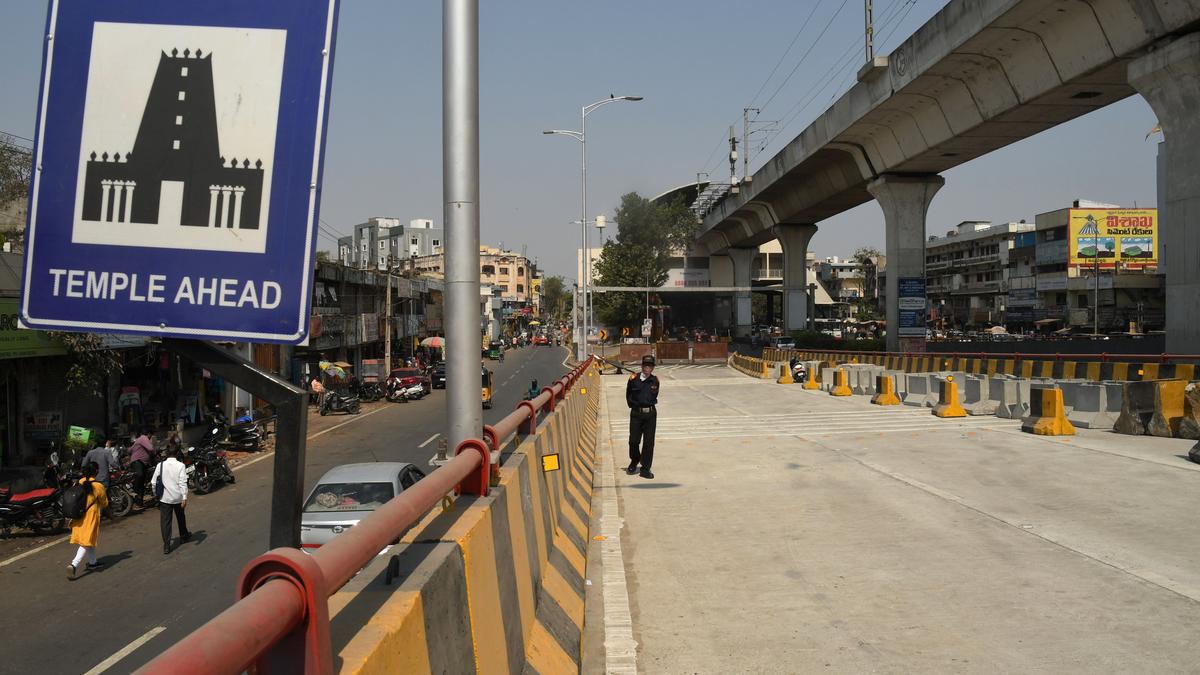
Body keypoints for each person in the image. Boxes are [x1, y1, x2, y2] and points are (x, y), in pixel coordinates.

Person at [67, 462, 108, 580]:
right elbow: (104, 503)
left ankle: (93, 562)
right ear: (96, 471)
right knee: (86, 541)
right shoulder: (98, 486)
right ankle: (74, 564)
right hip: (91, 517)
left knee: (89, 540)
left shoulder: (79, 482)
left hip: (78, 516)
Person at [151, 447, 191, 554]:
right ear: (177, 454)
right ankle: (183, 536)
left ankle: (167, 545)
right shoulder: (181, 465)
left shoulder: (161, 465)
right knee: (180, 516)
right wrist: (184, 497)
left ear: (167, 454)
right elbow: (183, 482)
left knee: (165, 522)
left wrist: (156, 494)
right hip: (178, 497)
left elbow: (153, 482)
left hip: (165, 498)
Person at [626, 355, 660, 479]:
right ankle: (634, 460)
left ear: (653, 368)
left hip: (650, 414)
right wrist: (634, 407)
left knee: (649, 443)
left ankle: (645, 468)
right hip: (636, 414)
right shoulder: (633, 379)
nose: (647, 367)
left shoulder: (655, 380)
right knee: (633, 441)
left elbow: (654, 396)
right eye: (645, 365)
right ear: (642, 366)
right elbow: (628, 395)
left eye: (650, 366)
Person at [128, 428, 154, 507]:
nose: (150, 437)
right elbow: (151, 448)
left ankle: (140, 502)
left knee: (142, 482)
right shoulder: (143, 438)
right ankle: (134, 490)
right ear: (148, 434)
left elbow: (130, 450)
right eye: (151, 435)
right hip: (137, 461)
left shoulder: (139, 439)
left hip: (143, 463)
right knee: (140, 475)